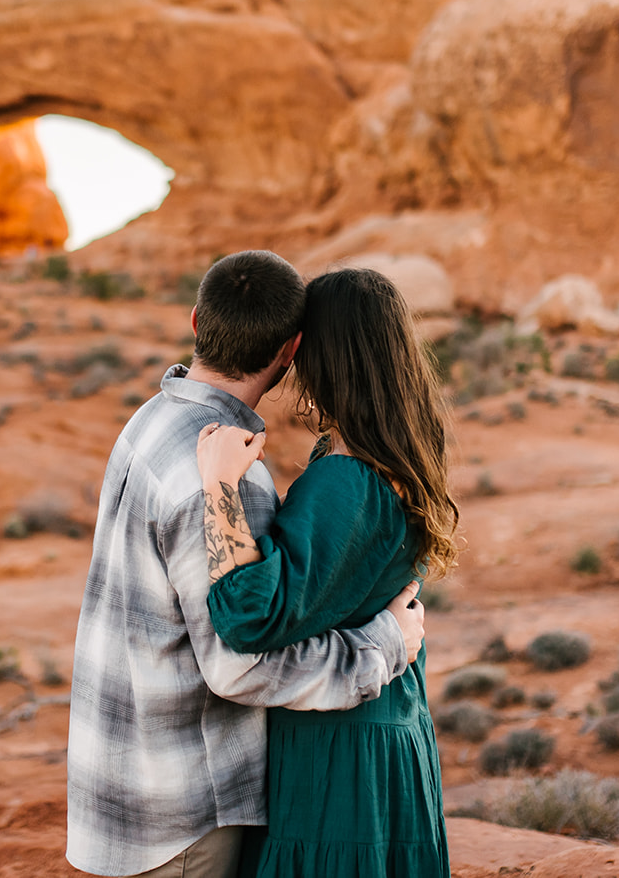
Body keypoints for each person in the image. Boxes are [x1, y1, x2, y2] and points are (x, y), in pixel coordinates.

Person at [67, 251, 426, 878]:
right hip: (184, 807)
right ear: (290, 351)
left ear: (198, 322)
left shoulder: (148, 424)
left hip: (114, 782)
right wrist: (386, 646)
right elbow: (242, 666)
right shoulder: (230, 481)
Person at [196, 266, 460, 878]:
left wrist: (218, 485)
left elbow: (248, 615)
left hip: (340, 752)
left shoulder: (347, 477)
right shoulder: (400, 446)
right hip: (390, 722)